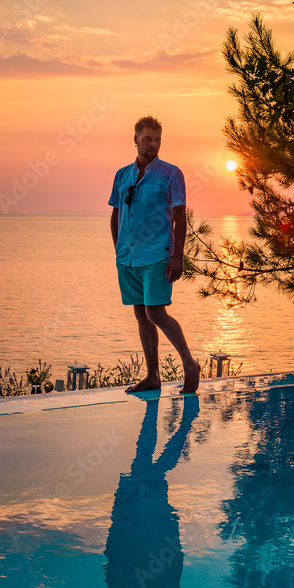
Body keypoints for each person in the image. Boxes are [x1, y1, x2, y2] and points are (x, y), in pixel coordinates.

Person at [109, 116, 200, 394]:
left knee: (155, 312)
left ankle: (189, 363)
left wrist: (178, 256)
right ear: (135, 138)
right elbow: (115, 214)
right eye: (148, 138)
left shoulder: (171, 174)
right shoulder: (122, 174)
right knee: (140, 314)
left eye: (157, 139)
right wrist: (118, 250)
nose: (153, 144)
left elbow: (179, 216)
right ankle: (152, 376)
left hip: (157, 255)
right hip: (128, 257)